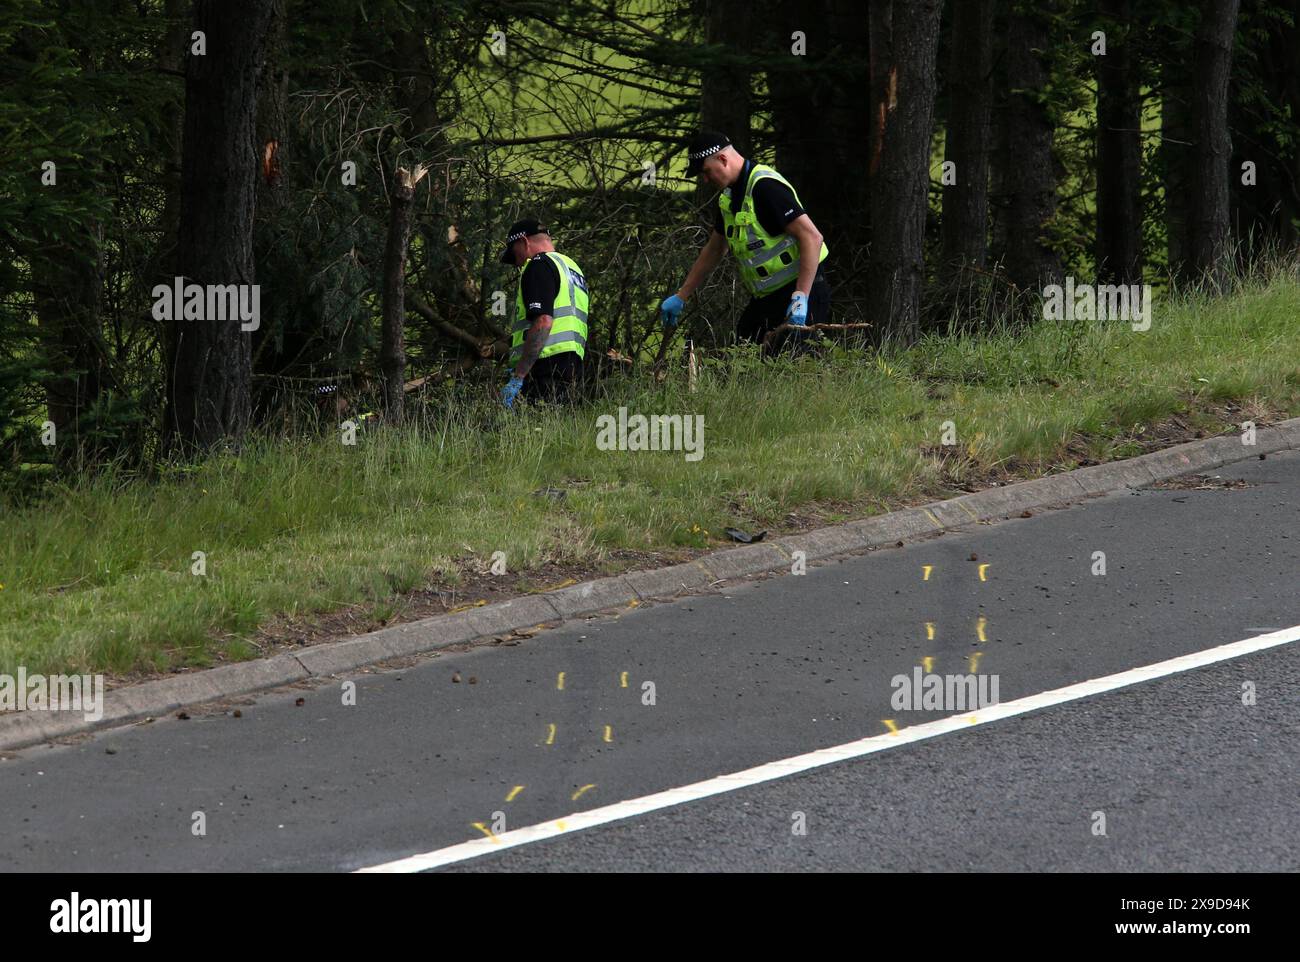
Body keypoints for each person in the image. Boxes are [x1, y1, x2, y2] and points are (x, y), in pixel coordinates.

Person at [660, 130, 830, 351]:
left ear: (722, 159)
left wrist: (800, 298)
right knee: (743, 353)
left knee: (795, 365)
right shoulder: (729, 198)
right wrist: (681, 296)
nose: (705, 179)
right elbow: (714, 249)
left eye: (706, 171)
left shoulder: (765, 187)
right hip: (766, 298)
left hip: (801, 293)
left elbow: (812, 237)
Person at [497, 218, 589, 407]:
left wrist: (519, 375)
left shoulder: (538, 265)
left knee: (528, 431)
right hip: (573, 366)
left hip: (544, 366)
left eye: (514, 254)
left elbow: (544, 321)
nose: (517, 263)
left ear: (523, 241)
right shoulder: (572, 268)